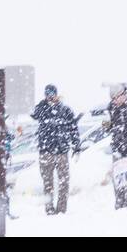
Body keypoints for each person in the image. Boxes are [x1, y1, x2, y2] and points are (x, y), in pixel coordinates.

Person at [30, 84, 81, 215]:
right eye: (47, 94)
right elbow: (33, 114)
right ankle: (49, 209)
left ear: (57, 94)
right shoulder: (42, 108)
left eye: (52, 94)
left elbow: (73, 129)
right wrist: (44, 104)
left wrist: (76, 146)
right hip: (45, 151)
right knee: (47, 183)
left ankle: (61, 210)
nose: (50, 97)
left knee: (64, 182)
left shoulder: (65, 109)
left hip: (62, 151)